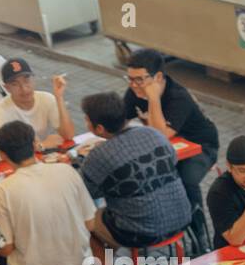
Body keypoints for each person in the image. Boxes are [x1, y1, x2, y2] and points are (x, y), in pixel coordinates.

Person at [0, 120, 96, 265]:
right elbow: (90, 224)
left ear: (2, 154)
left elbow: (5, 249)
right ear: (33, 145)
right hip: (79, 262)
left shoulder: (1, 191)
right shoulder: (66, 170)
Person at [123, 49, 220, 252]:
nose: (133, 85)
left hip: (201, 147)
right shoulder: (134, 91)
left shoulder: (178, 97)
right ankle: (147, 229)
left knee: (185, 181)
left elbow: (160, 134)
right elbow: (120, 123)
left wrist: (153, 100)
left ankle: (199, 237)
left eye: (139, 80)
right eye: (129, 79)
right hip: (167, 151)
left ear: (158, 77)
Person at [79, 92, 191, 254]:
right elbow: (172, 161)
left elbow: (87, 193)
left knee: (89, 222)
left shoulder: (99, 154)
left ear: (99, 128)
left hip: (141, 234)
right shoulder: (153, 134)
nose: (86, 122)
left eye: (87, 119)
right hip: (182, 219)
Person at [0, 58, 74, 149]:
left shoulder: (46, 99)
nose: (24, 89)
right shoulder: (0, 110)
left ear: (33, 80)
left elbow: (68, 135)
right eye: (15, 84)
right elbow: (6, 151)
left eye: (27, 80)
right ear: (7, 88)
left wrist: (59, 98)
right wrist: (42, 146)